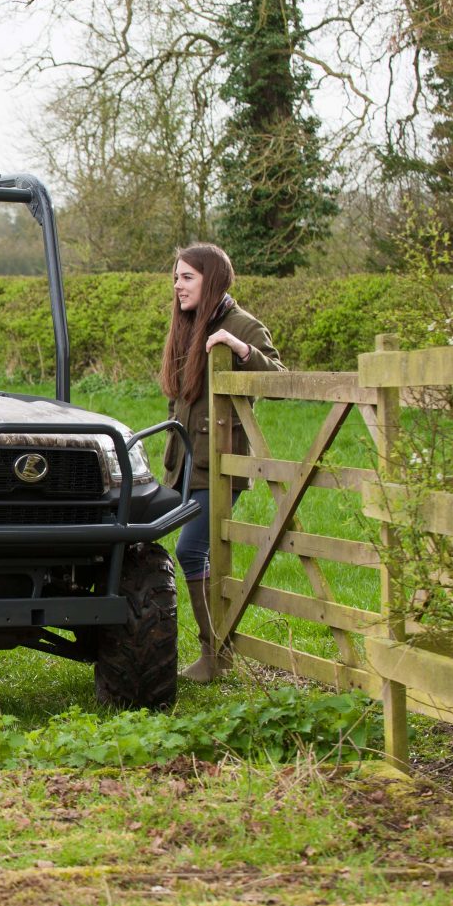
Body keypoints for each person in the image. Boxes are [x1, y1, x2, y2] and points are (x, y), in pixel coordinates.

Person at [158, 243, 284, 682]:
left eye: (187, 277)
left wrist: (240, 350)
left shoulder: (242, 325)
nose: (178, 285)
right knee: (138, 538)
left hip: (220, 466)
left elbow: (281, 383)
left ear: (210, 279)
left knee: (190, 549)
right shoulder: (186, 323)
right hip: (181, 464)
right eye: (176, 277)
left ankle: (215, 654)